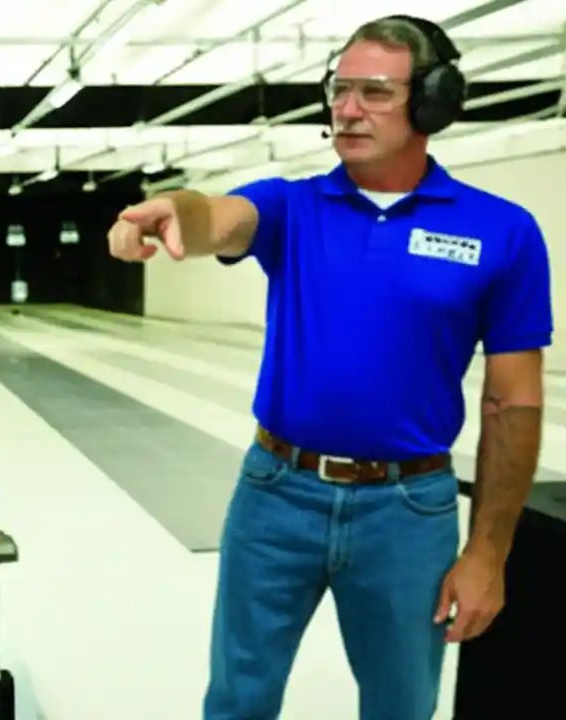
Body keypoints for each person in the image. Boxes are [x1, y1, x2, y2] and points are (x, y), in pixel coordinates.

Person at [108, 14, 551, 720]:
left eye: (374, 92)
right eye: (339, 90)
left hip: (411, 512)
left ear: (432, 102)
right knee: (237, 700)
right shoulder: (294, 207)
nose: (346, 110)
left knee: (402, 706)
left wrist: (488, 552)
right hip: (275, 494)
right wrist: (169, 213)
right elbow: (219, 217)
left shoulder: (501, 231)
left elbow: (514, 403)